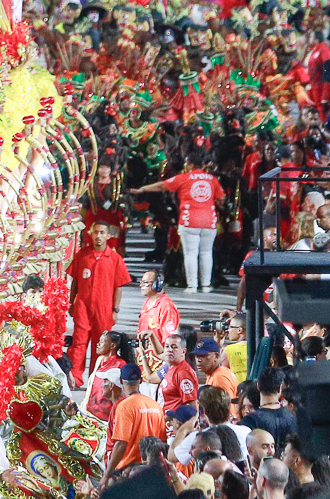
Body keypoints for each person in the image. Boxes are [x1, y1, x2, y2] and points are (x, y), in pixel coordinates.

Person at [132, 161, 224, 292]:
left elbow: (161, 186)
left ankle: (192, 286)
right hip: (209, 221)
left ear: (191, 165)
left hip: (189, 220)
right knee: (206, 253)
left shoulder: (184, 178)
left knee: (190, 253)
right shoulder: (212, 179)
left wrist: (143, 188)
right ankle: (205, 285)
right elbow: (222, 198)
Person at [68, 225, 126, 386]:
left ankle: (97, 378)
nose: (98, 236)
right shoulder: (82, 255)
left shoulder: (114, 259)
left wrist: (115, 309)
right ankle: (75, 378)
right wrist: (71, 302)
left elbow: (118, 286)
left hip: (104, 308)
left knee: (101, 343)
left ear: (108, 236)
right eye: (96, 233)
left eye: (102, 233)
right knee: (79, 342)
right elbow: (75, 281)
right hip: (83, 306)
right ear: (91, 234)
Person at [104, 365, 164, 472]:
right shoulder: (155, 406)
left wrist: (107, 473)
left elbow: (121, 443)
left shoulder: (124, 406)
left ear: (121, 381)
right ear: (140, 381)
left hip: (129, 470)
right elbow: (162, 440)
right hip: (151, 469)